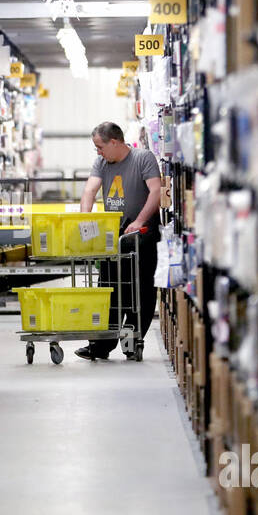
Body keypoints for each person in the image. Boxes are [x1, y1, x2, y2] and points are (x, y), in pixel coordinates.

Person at [75, 122, 161, 361]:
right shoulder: (102, 163)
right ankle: (101, 346)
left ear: (114, 142)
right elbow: (90, 191)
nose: (98, 152)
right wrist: (85, 221)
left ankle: (132, 343)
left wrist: (140, 220)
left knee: (140, 290)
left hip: (141, 234)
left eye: (100, 147)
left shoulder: (143, 158)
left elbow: (155, 191)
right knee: (109, 289)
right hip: (113, 236)